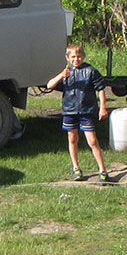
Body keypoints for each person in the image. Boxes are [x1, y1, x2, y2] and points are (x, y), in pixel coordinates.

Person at [48, 42, 109, 182]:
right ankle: (76, 168)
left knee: (92, 141)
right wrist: (61, 75)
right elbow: (49, 85)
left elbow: (100, 88)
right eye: (73, 57)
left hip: (86, 111)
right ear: (68, 58)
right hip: (69, 112)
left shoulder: (91, 71)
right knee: (72, 138)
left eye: (79, 56)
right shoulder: (66, 73)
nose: (77, 59)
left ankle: (103, 170)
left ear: (83, 56)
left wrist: (103, 107)